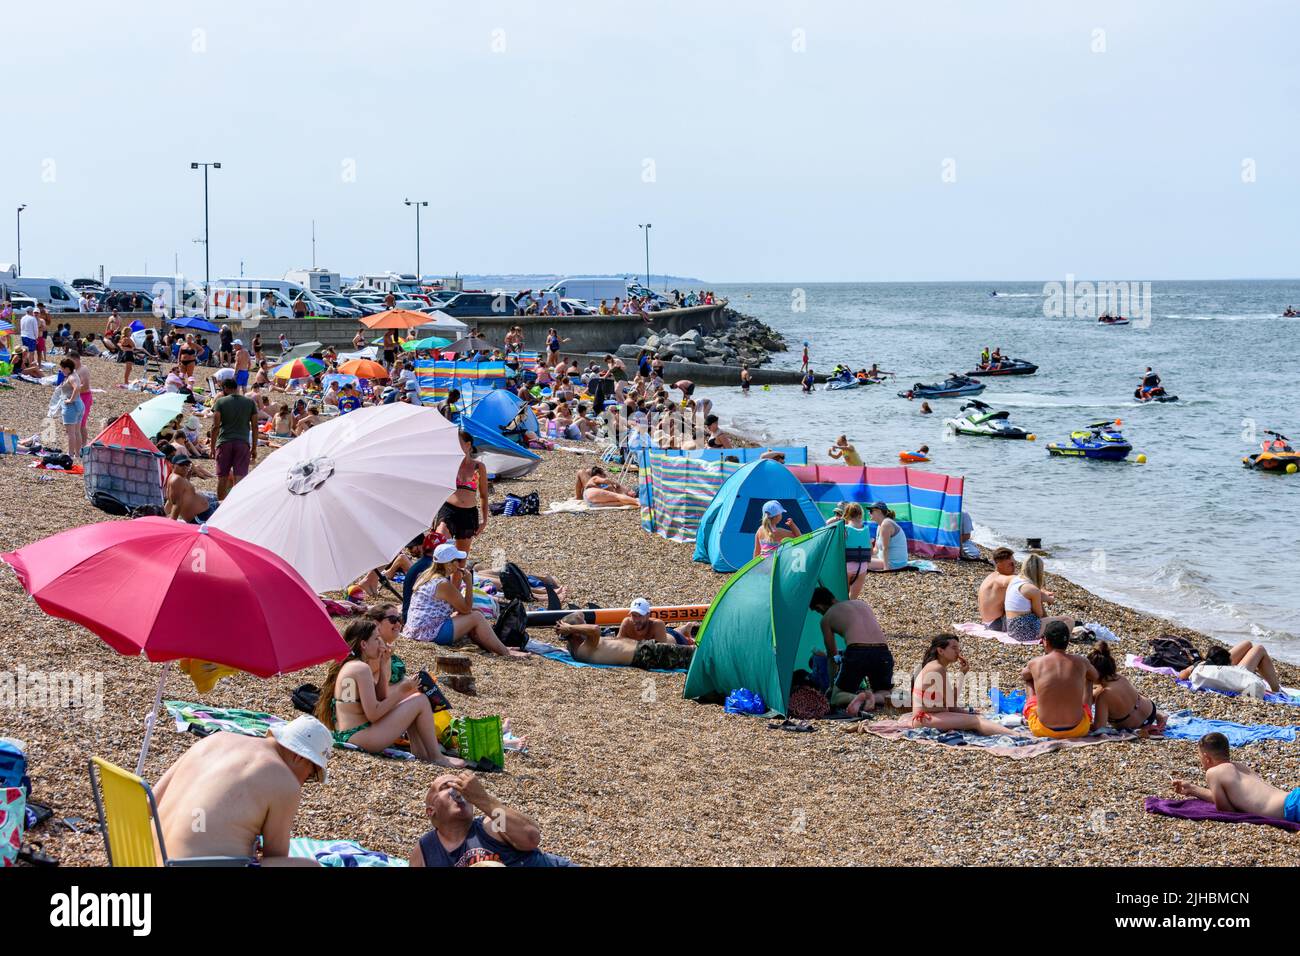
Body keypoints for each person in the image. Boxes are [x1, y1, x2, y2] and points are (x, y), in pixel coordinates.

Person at [153, 713, 330, 866]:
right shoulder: (285, 782)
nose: (303, 783)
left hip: (144, 858)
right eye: (310, 776)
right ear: (300, 757)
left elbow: (150, 802)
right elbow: (276, 856)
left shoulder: (214, 740)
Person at [315, 618, 464, 764]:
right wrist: (401, 691)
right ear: (364, 644)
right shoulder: (362, 669)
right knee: (421, 700)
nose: (381, 644)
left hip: (349, 734)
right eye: (376, 639)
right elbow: (374, 714)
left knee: (412, 701)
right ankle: (436, 756)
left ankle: (422, 753)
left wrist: (384, 663)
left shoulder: (351, 665)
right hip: (362, 736)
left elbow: (380, 697)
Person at [409, 772, 574, 867]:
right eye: (446, 787)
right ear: (431, 811)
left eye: (459, 786)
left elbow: (531, 838)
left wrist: (483, 799)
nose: (456, 790)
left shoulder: (491, 824)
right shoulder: (426, 850)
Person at [405, 543, 529, 658]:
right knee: (476, 617)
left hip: (417, 629)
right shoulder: (442, 583)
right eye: (457, 561)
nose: (459, 564)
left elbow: (457, 609)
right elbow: (466, 608)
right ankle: (505, 652)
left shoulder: (426, 577)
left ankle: (496, 647)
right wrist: (469, 583)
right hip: (429, 633)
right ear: (448, 564)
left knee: (473, 614)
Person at [1172, 733, 1300, 823]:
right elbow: (1233, 799)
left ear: (1206, 758)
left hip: (1290, 809)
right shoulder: (1241, 767)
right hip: (1292, 798)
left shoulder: (1213, 772)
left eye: (1200, 757)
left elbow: (1226, 808)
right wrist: (1193, 789)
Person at [911, 635, 1021, 736]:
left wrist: (969, 712)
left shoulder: (934, 666)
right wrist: (962, 675)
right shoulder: (937, 668)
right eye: (954, 648)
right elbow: (951, 702)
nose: (957, 652)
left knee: (974, 717)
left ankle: (1010, 733)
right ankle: (1018, 736)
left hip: (928, 716)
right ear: (940, 651)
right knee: (976, 721)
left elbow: (949, 705)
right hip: (924, 719)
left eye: (958, 648)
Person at [809, 586, 893, 716]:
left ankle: (859, 697)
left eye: (817, 611)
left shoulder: (826, 619)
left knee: (837, 697)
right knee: (886, 692)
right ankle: (874, 698)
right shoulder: (861, 604)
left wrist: (832, 686)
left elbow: (832, 656)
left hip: (857, 651)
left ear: (820, 607)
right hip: (882, 651)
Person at [1020, 620, 1098, 739]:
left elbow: (1024, 675)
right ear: (1067, 642)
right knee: (1089, 679)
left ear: (1046, 642)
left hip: (1042, 729)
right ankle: (1088, 714)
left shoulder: (1036, 663)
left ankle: (1031, 709)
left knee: (1029, 680)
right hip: (1079, 729)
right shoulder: (1081, 662)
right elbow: (1095, 676)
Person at [555, 607, 696, 670]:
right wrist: (570, 628)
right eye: (583, 625)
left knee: (691, 653)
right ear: (575, 633)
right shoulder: (582, 650)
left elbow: (580, 617)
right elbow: (595, 629)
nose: (586, 625)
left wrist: (569, 628)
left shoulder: (580, 643)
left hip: (644, 649)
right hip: (644, 654)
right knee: (693, 655)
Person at [1089, 642, 1166, 735]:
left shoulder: (1103, 696)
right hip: (1150, 711)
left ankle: (1149, 727)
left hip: (1136, 726)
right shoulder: (1120, 678)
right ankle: (1159, 716)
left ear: (1095, 672)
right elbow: (1099, 692)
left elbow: (1099, 727)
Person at [435, 430, 490, 552]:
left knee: (460, 561)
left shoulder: (479, 467)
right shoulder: (449, 464)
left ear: (468, 445)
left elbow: (484, 495)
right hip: (448, 510)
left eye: (457, 443)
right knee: (440, 549)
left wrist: (484, 520)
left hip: (469, 514)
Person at [210, 376, 257, 500]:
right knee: (240, 477)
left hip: (224, 441)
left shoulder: (220, 402)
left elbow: (215, 426)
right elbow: (255, 426)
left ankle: (219, 506)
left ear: (225, 388)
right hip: (242, 443)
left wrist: (212, 447)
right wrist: (254, 448)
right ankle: (236, 506)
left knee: (222, 477)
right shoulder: (250, 402)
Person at [1003, 554, 1070, 641]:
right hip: (1024, 631)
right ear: (1039, 571)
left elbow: (1030, 593)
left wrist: (1044, 596)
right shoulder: (1033, 590)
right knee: (1068, 620)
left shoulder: (1015, 580)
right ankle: (1062, 640)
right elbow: (1039, 614)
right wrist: (1046, 599)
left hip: (1011, 628)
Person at [1176, 640, 1282, 694]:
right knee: (1259, 648)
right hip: (1230, 672)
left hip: (1216, 667)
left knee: (1248, 643)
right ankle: (1276, 689)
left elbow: (1182, 676)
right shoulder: (1239, 672)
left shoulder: (1199, 668)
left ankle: (1218, 662)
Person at [165, 455, 219, 523]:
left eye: (187, 465)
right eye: (181, 464)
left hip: (204, 512)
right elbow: (177, 504)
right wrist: (172, 523)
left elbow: (171, 501)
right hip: (201, 517)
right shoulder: (177, 479)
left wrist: (163, 515)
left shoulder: (174, 477)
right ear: (172, 466)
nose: (185, 467)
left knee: (229, 503)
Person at [977, 547, 1017, 630]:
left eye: (1014, 563)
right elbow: (1022, 580)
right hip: (996, 624)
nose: (1014, 567)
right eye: (1011, 564)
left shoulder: (992, 576)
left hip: (988, 622)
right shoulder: (999, 579)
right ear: (999, 565)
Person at [56, 358, 86, 458]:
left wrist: (70, 400)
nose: (61, 370)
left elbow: (77, 387)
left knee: (71, 433)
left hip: (71, 407)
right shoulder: (74, 374)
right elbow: (79, 386)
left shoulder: (71, 377)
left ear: (67, 368)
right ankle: (77, 454)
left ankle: (70, 454)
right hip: (79, 405)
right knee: (77, 432)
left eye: (62, 368)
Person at [866, 502, 908, 571]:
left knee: (859, 563)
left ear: (879, 511)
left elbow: (885, 548)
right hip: (886, 560)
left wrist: (886, 569)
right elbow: (875, 551)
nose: (869, 513)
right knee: (858, 559)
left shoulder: (886, 524)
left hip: (894, 563)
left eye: (871, 511)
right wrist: (869, 543)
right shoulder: (880, 525)